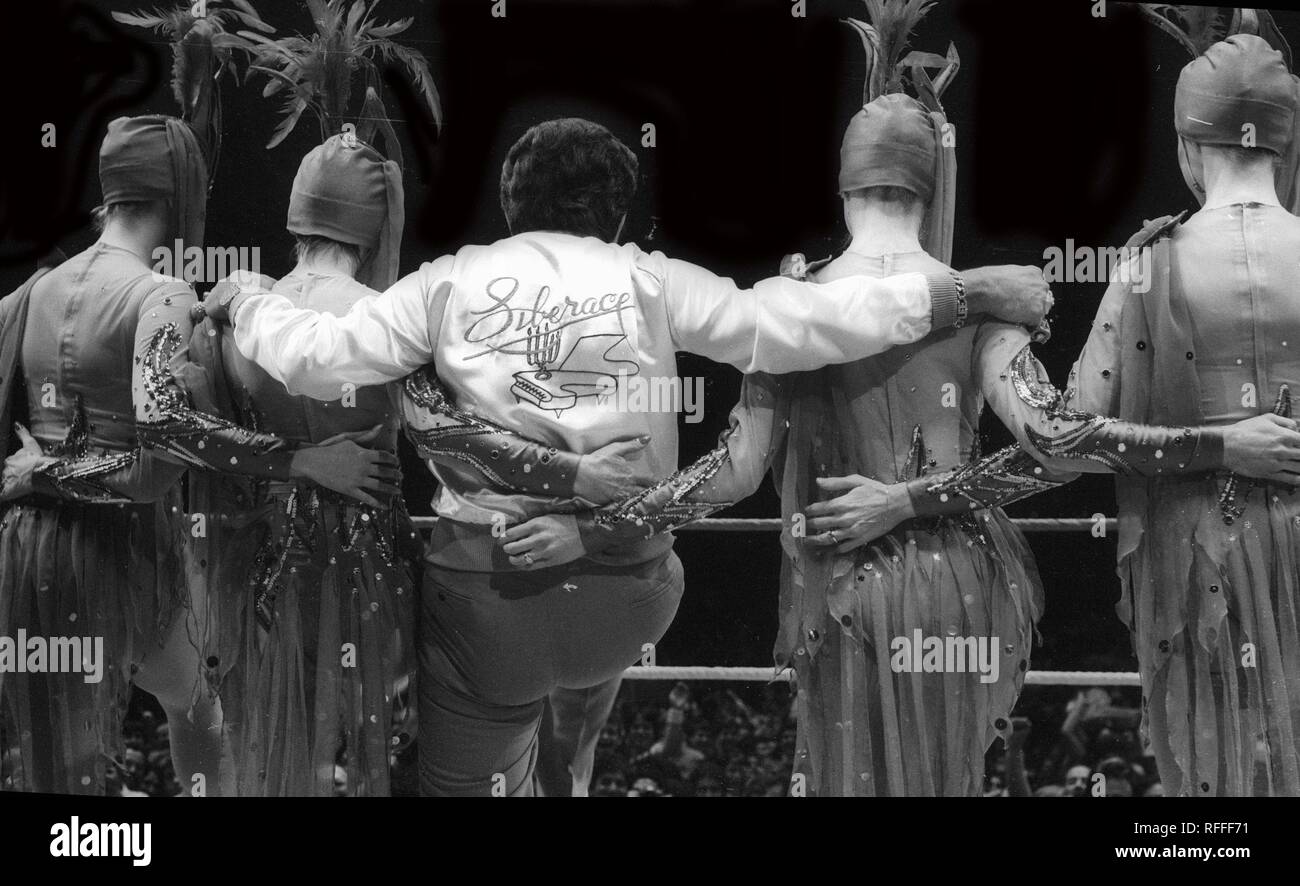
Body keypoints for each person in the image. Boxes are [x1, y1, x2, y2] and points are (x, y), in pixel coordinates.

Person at [557, 9, 1300, 796]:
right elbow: (1056, 438)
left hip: (840, 581)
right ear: (930, 189)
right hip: (959, 583)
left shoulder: (793, 308)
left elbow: (735, 473)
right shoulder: (985, 310)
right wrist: (917, 500)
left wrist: (607, 515)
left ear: (846, 189)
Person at [201, 115, 1053, 796]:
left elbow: (317, 354)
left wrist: (245, 300)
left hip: (488, 596)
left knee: (473, 774)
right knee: (586, 713)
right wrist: (962, 291)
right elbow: (789, 327)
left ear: (510, 204)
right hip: (631, 600)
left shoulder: (448, 281)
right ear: (613, 214)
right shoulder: (651, 276)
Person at [194, 133, 636, 796]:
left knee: (269, 757)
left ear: (297, 213)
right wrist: (573, 476)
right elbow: (455, 439)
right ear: (375, 224)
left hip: (259, 571)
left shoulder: (227, 314)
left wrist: (294, 461)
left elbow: (193, 439)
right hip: (368, 575)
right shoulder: (388, 322)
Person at [0, 115, 385, 795]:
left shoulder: (29, 296)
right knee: (194, 710)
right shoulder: (160, 297)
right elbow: (162, 449)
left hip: (28, 550)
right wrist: (298, 460)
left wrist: (38, 472)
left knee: (56, 757)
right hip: (120, 554)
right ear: (180, 201)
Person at [1066, 30, 1300, 796]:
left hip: (1199, 558)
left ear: (1187, 142)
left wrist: (1217, 446)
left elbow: (1077, 428)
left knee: (1216, 790)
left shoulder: (1148, 265)